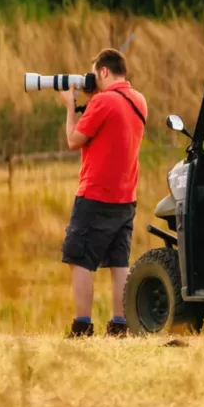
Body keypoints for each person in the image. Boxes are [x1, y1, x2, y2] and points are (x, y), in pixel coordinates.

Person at [58, 49, 148, 338]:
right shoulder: (138, 100)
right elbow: (110, 126)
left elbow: (74, 140)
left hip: (96, 194)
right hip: (125, 196)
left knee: (79, 257)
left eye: (95, 73)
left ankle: (82, 325)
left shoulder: (103, 102)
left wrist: (70, 107)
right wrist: (90, 100)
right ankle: (119, 324)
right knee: (118, 260)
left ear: (104, 72)